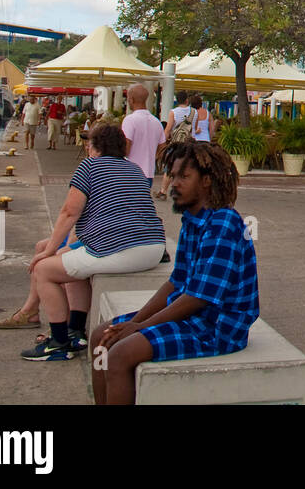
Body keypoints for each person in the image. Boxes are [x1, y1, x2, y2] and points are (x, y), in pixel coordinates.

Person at [91, 141, 259, 404]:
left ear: (206, 181)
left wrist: (141, 327)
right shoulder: (192, 221)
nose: (174, 183)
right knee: (102, 336)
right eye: (172, 175)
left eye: (184, 176)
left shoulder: (223, 224)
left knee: (120, 355)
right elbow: (176, 282)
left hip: (218, 326)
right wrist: (137, 321)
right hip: (195, 316)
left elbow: (199, 297)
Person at [16, 123, 167, 360]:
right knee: (71, 260)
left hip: (120, 248)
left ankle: (58, 343)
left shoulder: (90, 166)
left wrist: (48, 252)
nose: (87, 146)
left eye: (89, 142)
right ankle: (76, 331)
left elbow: (69, 212)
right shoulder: (134, 168)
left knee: (44, 270)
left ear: (96, 146)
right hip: (153, 247)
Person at [121, 84, 166, 192]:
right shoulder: (156, 122)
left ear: (131, 99)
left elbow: (125, 150)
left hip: (130, 173)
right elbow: (163, 149)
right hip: (148, 173)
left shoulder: (130, 120)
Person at [158, 92, 195, 200]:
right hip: (189, 143)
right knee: (187, 168)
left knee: (169, 168)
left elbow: (168, 128)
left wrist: (163, 141)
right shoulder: (194, 112)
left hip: (175, 144)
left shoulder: (173, 112)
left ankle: (163, 191)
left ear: (177, 100)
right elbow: (194, 128)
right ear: (187, 100)